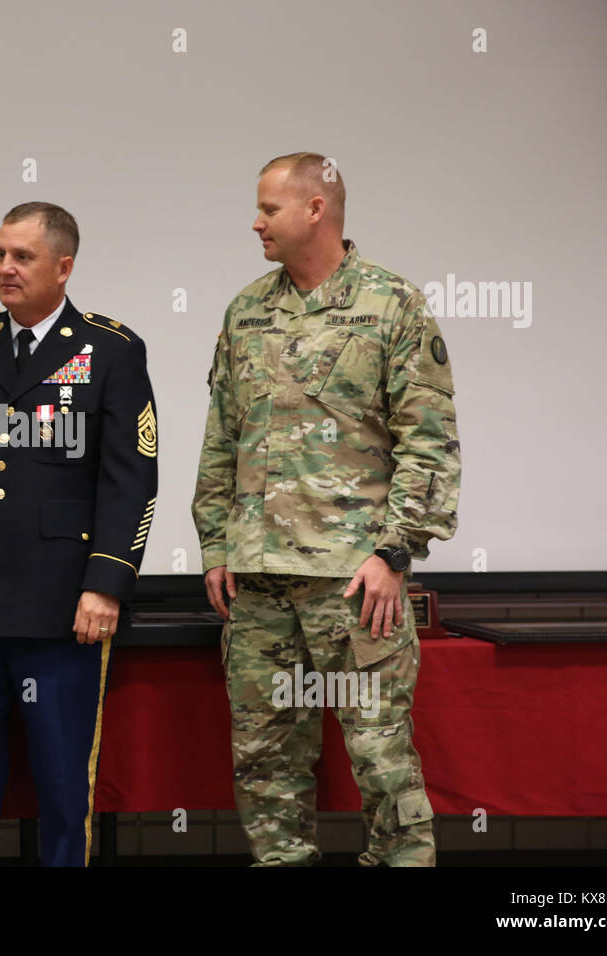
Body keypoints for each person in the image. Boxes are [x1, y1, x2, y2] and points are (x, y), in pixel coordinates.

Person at [192, 152, 461, 866]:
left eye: (269, 209)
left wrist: (394, 553)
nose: (256, 222)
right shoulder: (246, 311)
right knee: (268, 776)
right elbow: (222, 436)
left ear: (317, 209)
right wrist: (216, 547)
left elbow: (429, 443)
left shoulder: (391, 305)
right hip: (259, 588)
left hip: (354, 585)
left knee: (382, 768)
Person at [0, 202, 159, 866]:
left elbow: (131, 480)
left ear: (64, 267)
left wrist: (106, 584)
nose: (5, 269)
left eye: (22, 257)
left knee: (64, 784)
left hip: (65, 612)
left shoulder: (111, 350)